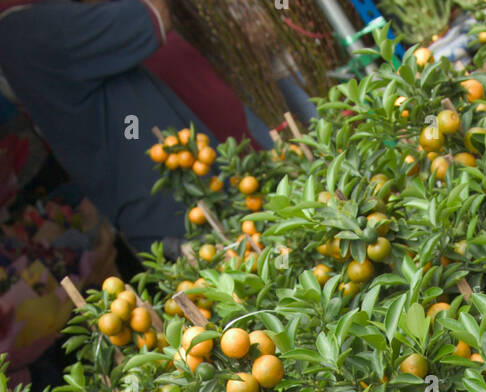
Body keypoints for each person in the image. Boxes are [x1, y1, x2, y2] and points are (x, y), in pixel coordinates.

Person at [0, 0, 308, 251]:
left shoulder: (22, 32)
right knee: (251, 275)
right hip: (174, 208)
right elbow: (153, 15)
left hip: (173, 197)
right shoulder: (30, 29)